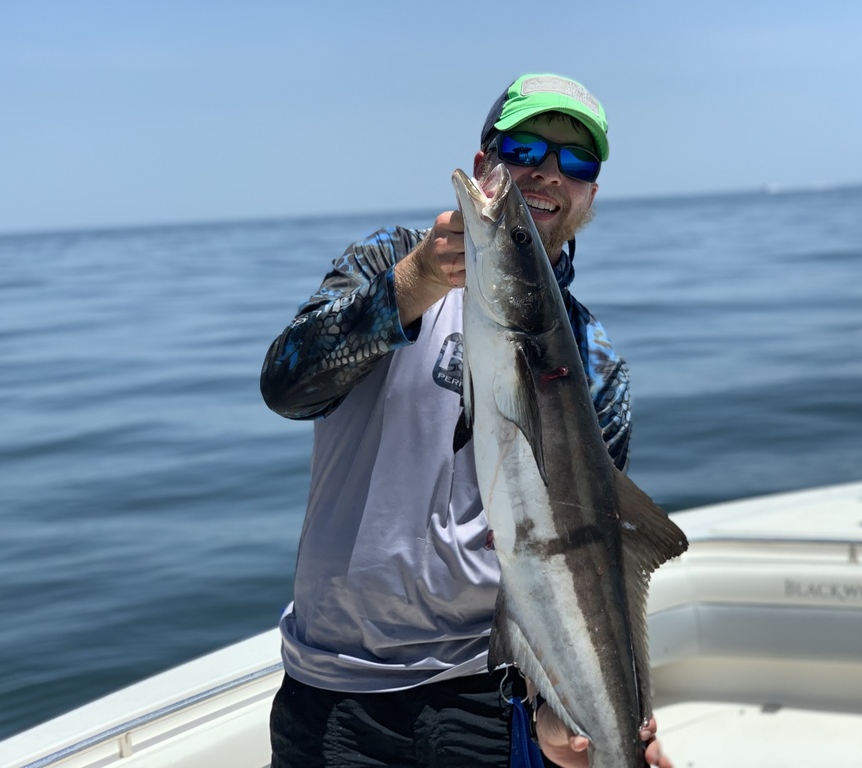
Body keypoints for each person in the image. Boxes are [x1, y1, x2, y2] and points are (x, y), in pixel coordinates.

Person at [261, 73, 671, 768]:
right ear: (483, 166)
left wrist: (557, 708)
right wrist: (415, 282)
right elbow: (288, 387)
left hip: (485, 691)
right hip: (333, 687)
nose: (546, 173)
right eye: (524, 149)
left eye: (576, 162)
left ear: (590, 196)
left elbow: (585, 564)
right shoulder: (389, 264)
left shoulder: (595, 364)